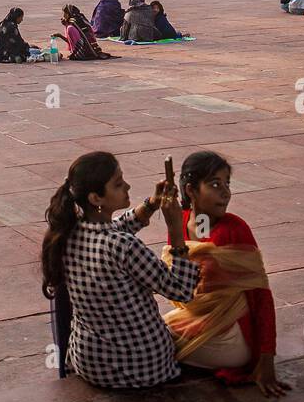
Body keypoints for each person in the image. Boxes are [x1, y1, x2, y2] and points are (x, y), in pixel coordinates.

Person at [41, 152, 201, 388]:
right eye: (118, 184)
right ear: (96, 198)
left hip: (90, 363)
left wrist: (152, 203)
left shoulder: (68, 234)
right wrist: (176, 229)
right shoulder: (124, 246)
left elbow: (115, 227)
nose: (127, 186)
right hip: (143, 367)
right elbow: (181, 291)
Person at [162, 151, 289, 395]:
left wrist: (266, 359)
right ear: (191, 190)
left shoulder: (235, 230)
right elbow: (178, 287)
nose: (226, 193)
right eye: (215, 185)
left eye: (227, 184)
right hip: (196, 319)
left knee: (154, 345)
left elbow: (261, 297)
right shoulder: (180, 222)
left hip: (232, 336)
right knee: (149, 332)